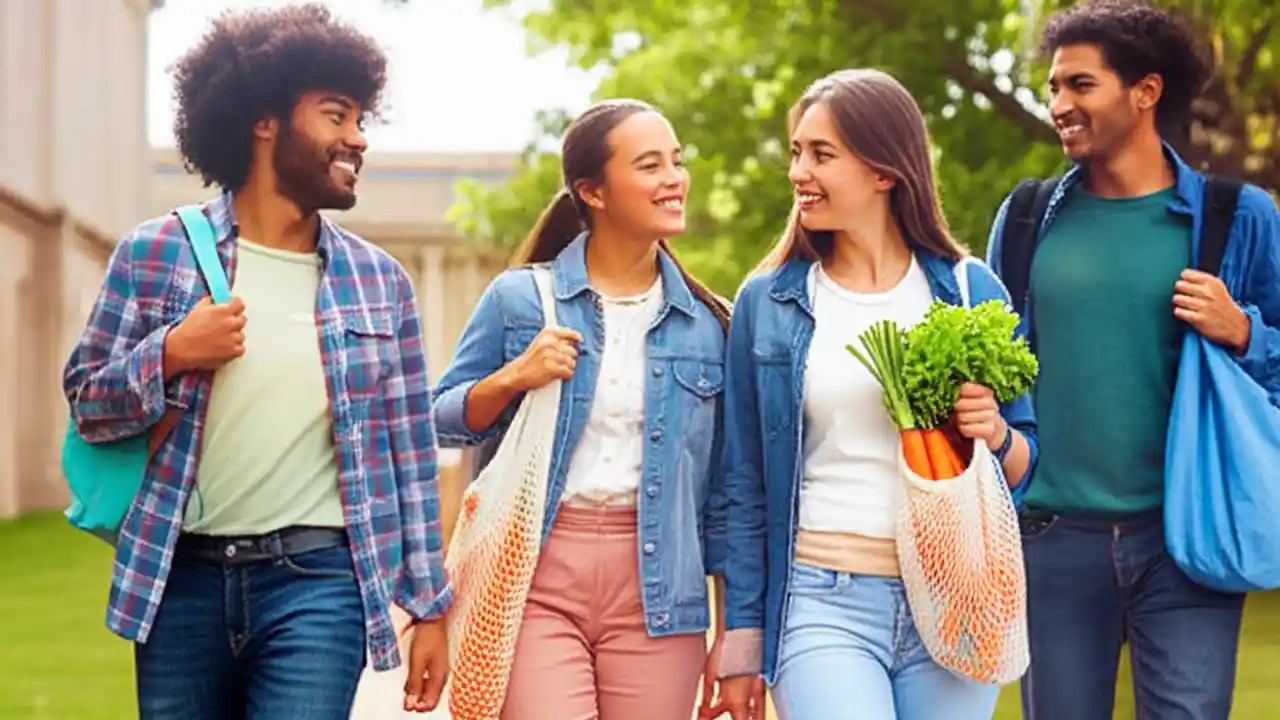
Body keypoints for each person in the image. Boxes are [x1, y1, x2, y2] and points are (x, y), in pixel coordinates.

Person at [61, 5, 450, 717]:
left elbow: (411, 455)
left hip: (317, 582)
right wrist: (171, 353)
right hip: (179, 581)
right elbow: (88, 401)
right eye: (336, 116)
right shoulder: (156, 254)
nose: (357, 138)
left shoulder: (379, 282)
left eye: (362, 120)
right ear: (263, 118)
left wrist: (429, 606)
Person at [982, 2, 1280, 718]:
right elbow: (993, 374)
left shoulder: (1238, 217)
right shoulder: (1023, 218)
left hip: (1186, 543)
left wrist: (1243, 331)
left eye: (1080, 85)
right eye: (1053, 88)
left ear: (1145, 91)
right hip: (1051, 541)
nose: (1059, 105)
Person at [714, 68, 1040, 720]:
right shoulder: (771, 303)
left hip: (958, 596)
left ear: (885, 172)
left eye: (821, 154)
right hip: (821, 598)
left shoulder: (971, 290)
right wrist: (741, 645)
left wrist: (994, 434)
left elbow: (1026, 464)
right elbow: (743, 485)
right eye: (797, 153)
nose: (799, 171)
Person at [431, 98, 730, 720]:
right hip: (537, 577)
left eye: (677, 162)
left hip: (661, 590)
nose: (674, 179)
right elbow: (438, 416)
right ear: (593, 190)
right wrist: (513, 377)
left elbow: (727, 497)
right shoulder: (520, 300)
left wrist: (735, 632)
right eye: (650, 165)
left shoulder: (710, 324)